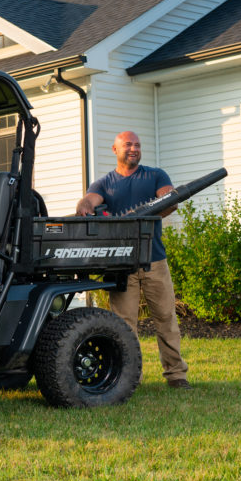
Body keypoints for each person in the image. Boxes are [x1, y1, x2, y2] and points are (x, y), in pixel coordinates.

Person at [76, 131, 190, 389]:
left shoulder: (155, 175)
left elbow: (169, 199)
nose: (133, 149)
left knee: (166, 318)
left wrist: (148, 214)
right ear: (115, 149)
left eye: (137, 145)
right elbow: (89, 200)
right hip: (122, 264)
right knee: (124, 324)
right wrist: (84, 206)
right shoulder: (105, 183)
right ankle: (129, 378)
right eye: (128, 144)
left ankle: (176, 375)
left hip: (155, 259)